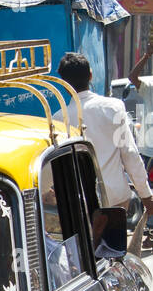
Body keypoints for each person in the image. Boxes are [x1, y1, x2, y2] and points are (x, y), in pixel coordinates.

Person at [57, 51, 153, 216]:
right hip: (115, 200)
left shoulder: (58, 118)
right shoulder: (113, 107)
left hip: (77, 204)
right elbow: (129, 153)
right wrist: (145, 194)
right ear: (91, 75)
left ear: (63, 83)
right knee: (113, 242)